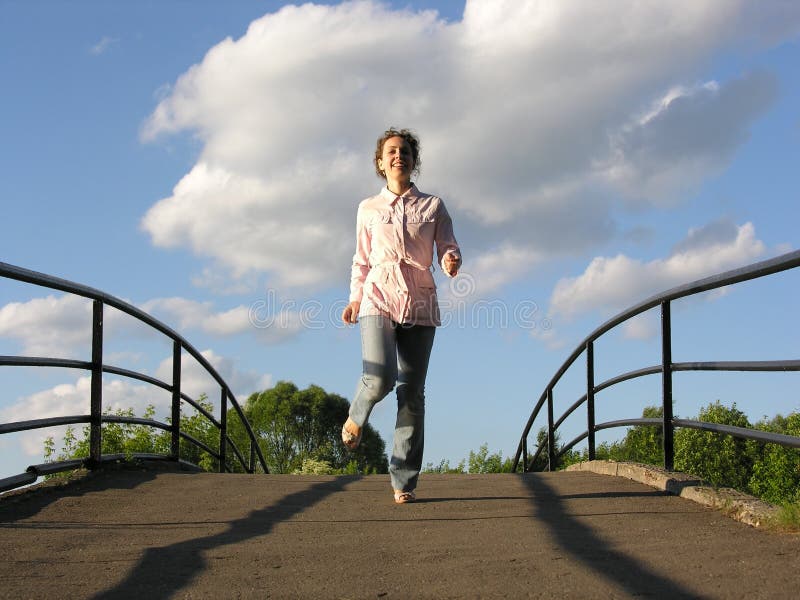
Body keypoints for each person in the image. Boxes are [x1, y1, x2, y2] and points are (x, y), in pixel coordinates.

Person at [341, 127, 461, 504]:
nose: (399, 156)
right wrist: (354, 300)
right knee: (380, 379)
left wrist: (450, 258)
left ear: (414, 160)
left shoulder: (433, 206)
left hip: (421, 301)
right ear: (380, 163)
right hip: (377, 296)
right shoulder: (368, 209)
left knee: (412, 394)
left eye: (405, 151)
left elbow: (447, 244)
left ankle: (403, 480)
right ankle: (356, 415)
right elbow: (361, 260)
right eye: (391, 152)